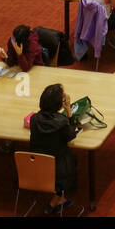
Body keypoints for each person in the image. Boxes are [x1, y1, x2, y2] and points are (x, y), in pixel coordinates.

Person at [28, 84, 79, 214]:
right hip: (59, 168)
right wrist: (68, 111)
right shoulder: (61, 122)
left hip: (36, 165)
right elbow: (71, 134)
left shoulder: (34, 119)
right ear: (59, 104)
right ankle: (58, 197)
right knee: (74, 159)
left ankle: (57, 199)